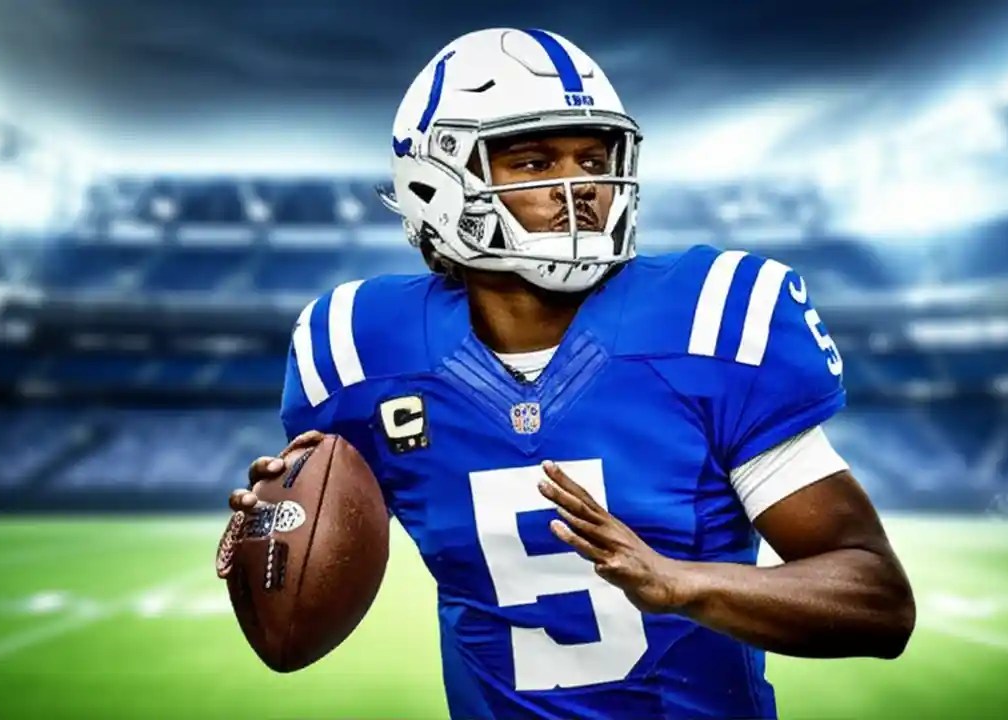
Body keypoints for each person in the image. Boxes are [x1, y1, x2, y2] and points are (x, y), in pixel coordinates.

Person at [230, 27, 915, 720]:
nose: (580, 186)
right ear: (434, 185)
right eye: (532, 162)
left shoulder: (711, 321)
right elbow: (308, 536)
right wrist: (275, 521)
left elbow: (878, 598)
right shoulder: (359, 350)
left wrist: (683, 584)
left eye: (593, 158)